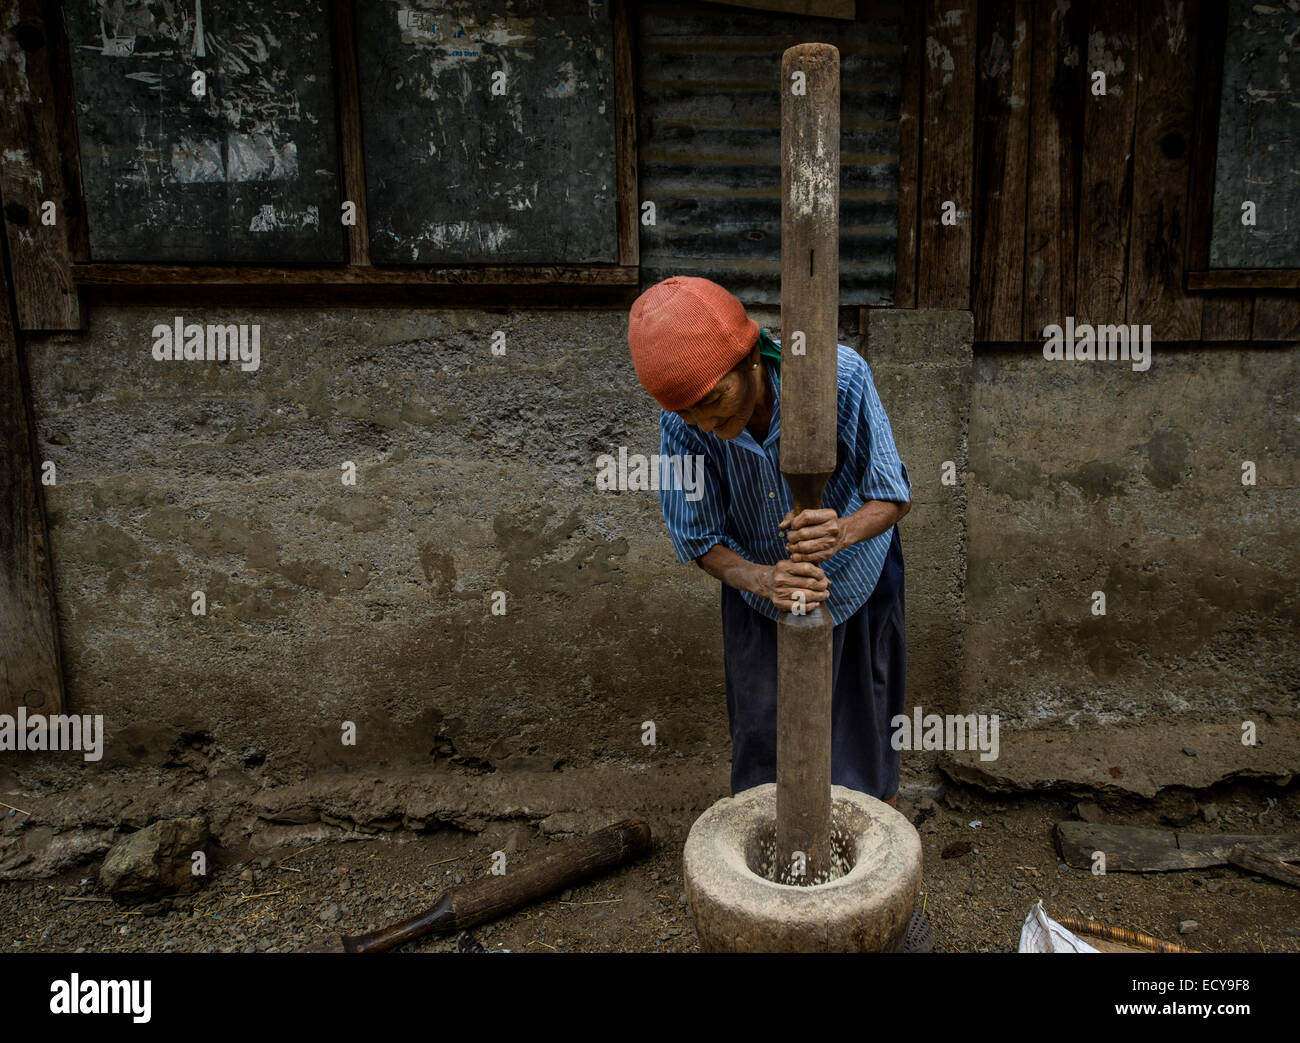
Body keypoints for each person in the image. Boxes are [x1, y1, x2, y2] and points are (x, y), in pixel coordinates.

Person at [626, 275, 912, 806]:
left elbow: (893, 496)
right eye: (688, 412)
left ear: (752, 358)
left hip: (858, 579)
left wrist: (842, 530)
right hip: (759, 593)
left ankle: (861, 865)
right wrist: (762, 579)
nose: (706, 422)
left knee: (862, 744)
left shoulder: (841, 377)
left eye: (713, 399)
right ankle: (771, 867)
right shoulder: (683, 423)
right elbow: (699, 536)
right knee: (763, 746)